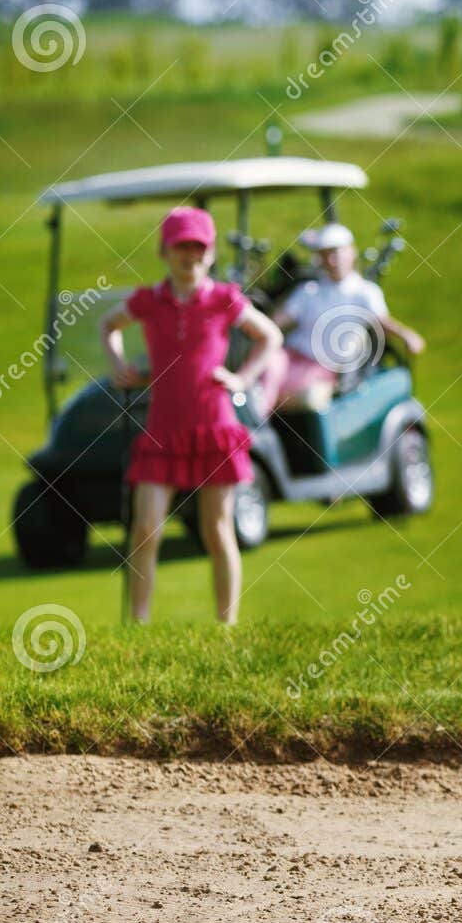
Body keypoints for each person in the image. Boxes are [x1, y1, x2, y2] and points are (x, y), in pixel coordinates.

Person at [100, 206, 283, 624]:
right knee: (145, 528)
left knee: (217, 530)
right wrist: (118, 364)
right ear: (165, 250)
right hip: (163, 430)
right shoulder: (149, 300)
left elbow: (270, 336)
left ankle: (227, 626)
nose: (191, 256)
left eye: (199, 248)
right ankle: (138, 624)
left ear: (212, 253)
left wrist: (242, 379)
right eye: (182, 246)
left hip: (215, 427)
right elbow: (109, 325)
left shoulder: (224, 298)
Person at [255, 223, 424, 414]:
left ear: (351, 252)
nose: (332, 260)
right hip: (291, 356)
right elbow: (277, 321)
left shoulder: (365, 292)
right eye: (326, 254)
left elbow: (382, 322)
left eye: (337, 252)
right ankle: (257, 425)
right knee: (269, 363)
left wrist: (407, 336)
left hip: (323, 368)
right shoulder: (309, 291)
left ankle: (260, 425)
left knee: (282, 382)